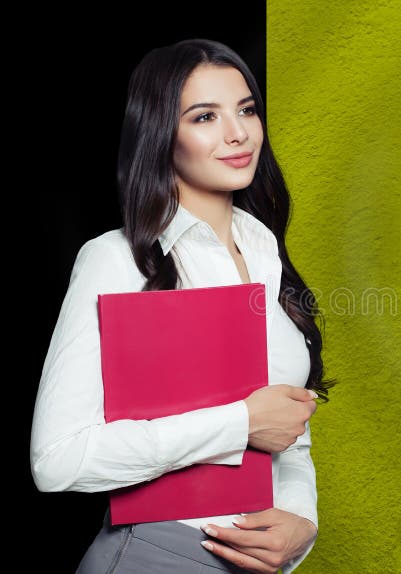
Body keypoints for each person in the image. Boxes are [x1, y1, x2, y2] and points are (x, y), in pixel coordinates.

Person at [30, 38, 332, 574]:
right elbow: (57, 461)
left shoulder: (267, 253)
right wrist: (239, 424)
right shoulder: (119, 260)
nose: (237, 133)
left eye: (246, 109)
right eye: (204, 116)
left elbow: (289, 430)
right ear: (160, 135)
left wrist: (302, 522)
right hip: (155, 552)